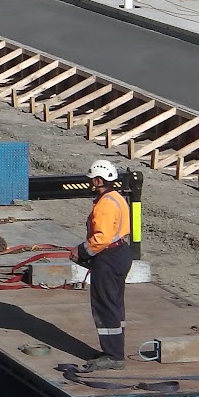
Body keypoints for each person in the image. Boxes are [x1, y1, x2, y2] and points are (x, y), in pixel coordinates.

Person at [75, 159, 133, 371]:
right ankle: (114, 349)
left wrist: (81, 251)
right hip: (119, 253)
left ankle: (114, 355)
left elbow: (102, 238)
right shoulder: (116, 198)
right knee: (115, 304)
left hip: (108, 257)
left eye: (92, 179)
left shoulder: (105, 205)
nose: (91, 182)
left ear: (99, 180)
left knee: (105, 305)